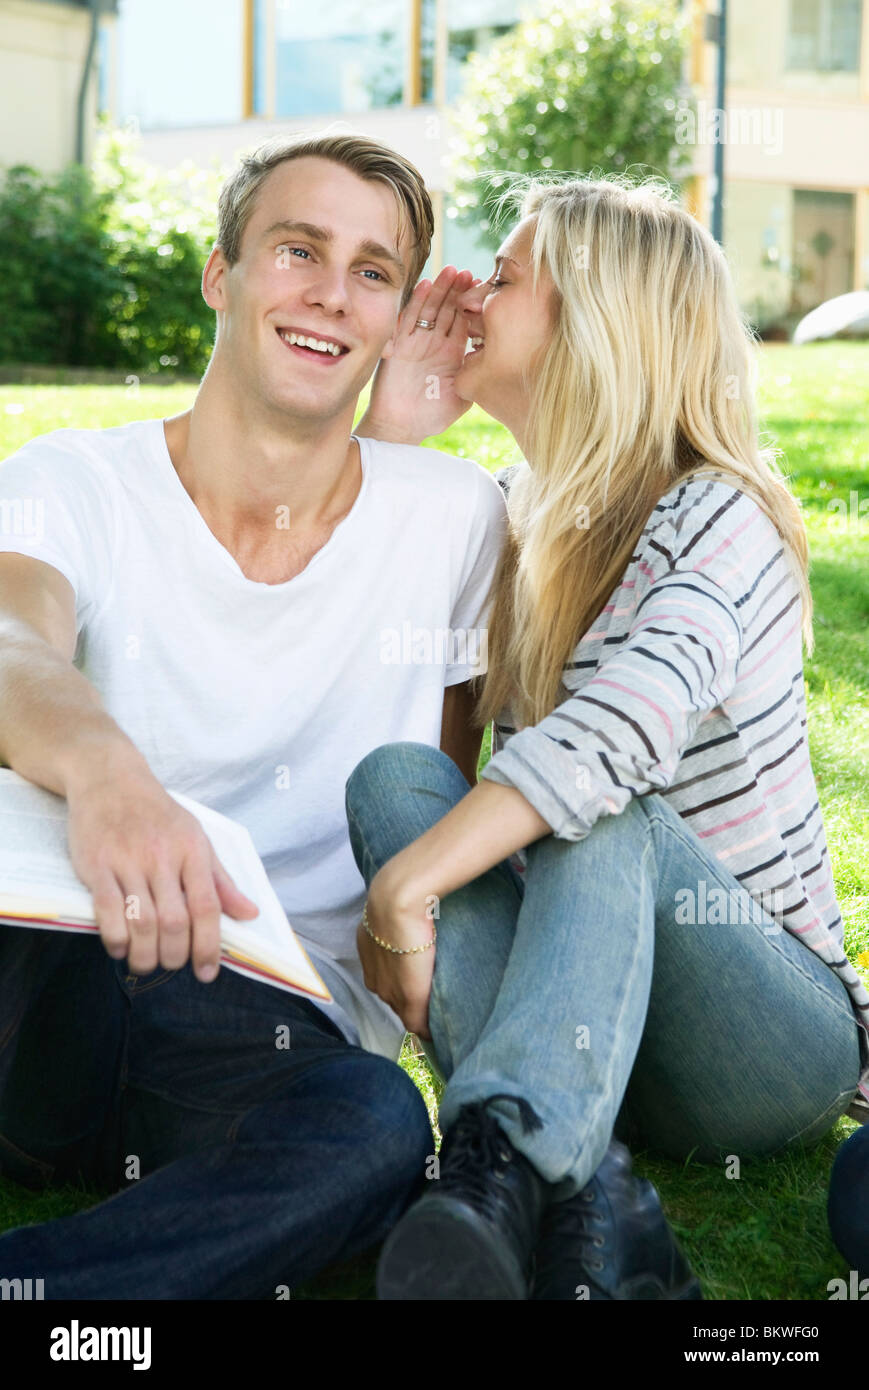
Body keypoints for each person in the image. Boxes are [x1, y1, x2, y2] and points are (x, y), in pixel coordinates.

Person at [0, 132, 508, 1298]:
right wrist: (110, 779)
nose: (331, 292)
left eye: (373, 271)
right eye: (297, 250)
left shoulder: (450, 518)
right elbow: (11, 640)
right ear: (221, 275)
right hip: (53, 963)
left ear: (392, 321)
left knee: (377, 1123)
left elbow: (439, 784)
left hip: (258, 1024)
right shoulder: (72, 480)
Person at [344, 175, 869, 1300]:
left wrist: (403, 891)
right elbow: (368, 697)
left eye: (505, 275)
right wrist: (390, 437)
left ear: (589, 321)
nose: (470, 294)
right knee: (398, 783)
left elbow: (616, 733)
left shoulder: (716, 511)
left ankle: (496, 1150)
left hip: (765, 1039)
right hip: (596, 1022)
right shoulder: (507, 511)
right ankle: (570, 1184)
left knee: (599, 796)